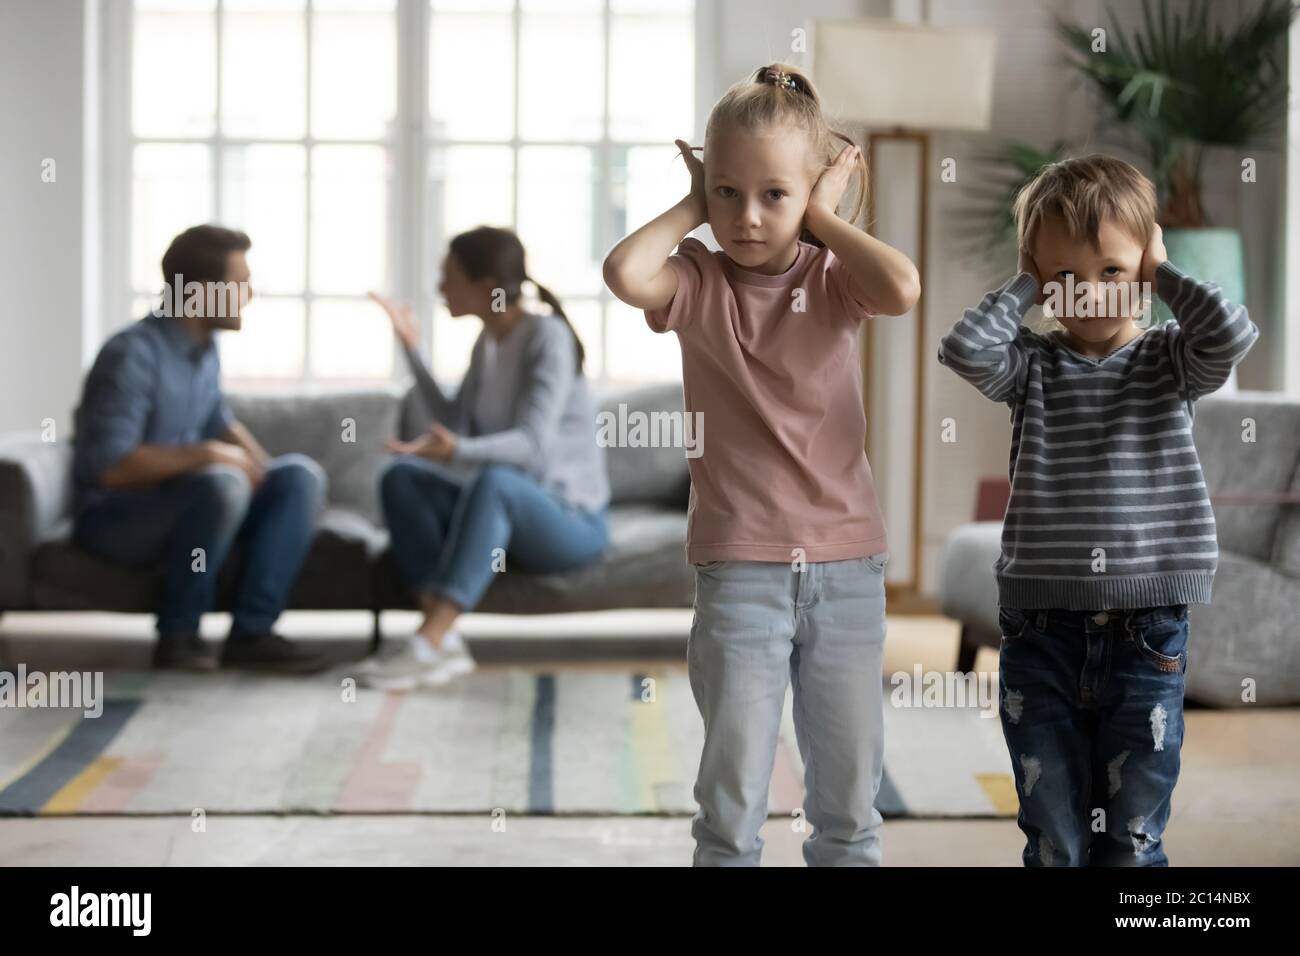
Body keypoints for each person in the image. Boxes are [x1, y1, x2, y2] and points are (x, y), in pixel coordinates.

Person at [603, 64, 921, 866]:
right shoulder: (696, 282)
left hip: (847, 564)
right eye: (728, 194)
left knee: (849, 797)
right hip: (740, 566)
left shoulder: (833, 279)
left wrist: (820, 216)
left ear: (812, 193)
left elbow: (904, 287)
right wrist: (690, 200)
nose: (746, 218)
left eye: (773, 195)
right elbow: (624, 274)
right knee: (732, 794)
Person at [937, 154, 1260, 865]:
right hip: (1040, 632)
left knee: (1132, 837)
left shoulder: (1172, 359)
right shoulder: (1029, 366)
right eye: (1065, 279)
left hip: (1149, 631)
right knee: (1054, 838)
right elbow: (962, 348)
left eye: (1112, 272)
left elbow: (1232, 335)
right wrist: (1025, 281)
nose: (1089, 295)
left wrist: (1163, 270)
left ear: (1143, 269)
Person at [359, 226, 611, 690]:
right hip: (506, 510)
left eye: (448, 277)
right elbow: (454, 419)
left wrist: (458, 451)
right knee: (401, 477)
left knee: (495, 480)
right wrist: (412, 350)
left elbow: (532, 444)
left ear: (487, 286)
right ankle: (441, 636)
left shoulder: (546, 337)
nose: (439, 289)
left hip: (569, 521)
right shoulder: (487, 344)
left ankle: (427, 643)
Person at [73, 224, 330, 673]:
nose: (249, 295)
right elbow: (110, 467)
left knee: (299, 477)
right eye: (239, 284)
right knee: (222, 482)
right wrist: (213, 455)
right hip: (118, 518)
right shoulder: (131, 354)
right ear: (200, 291)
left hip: (194, 504)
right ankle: (178, 637)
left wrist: (263, 469)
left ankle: (251, 634)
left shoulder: (203, 347)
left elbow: (218, 421)